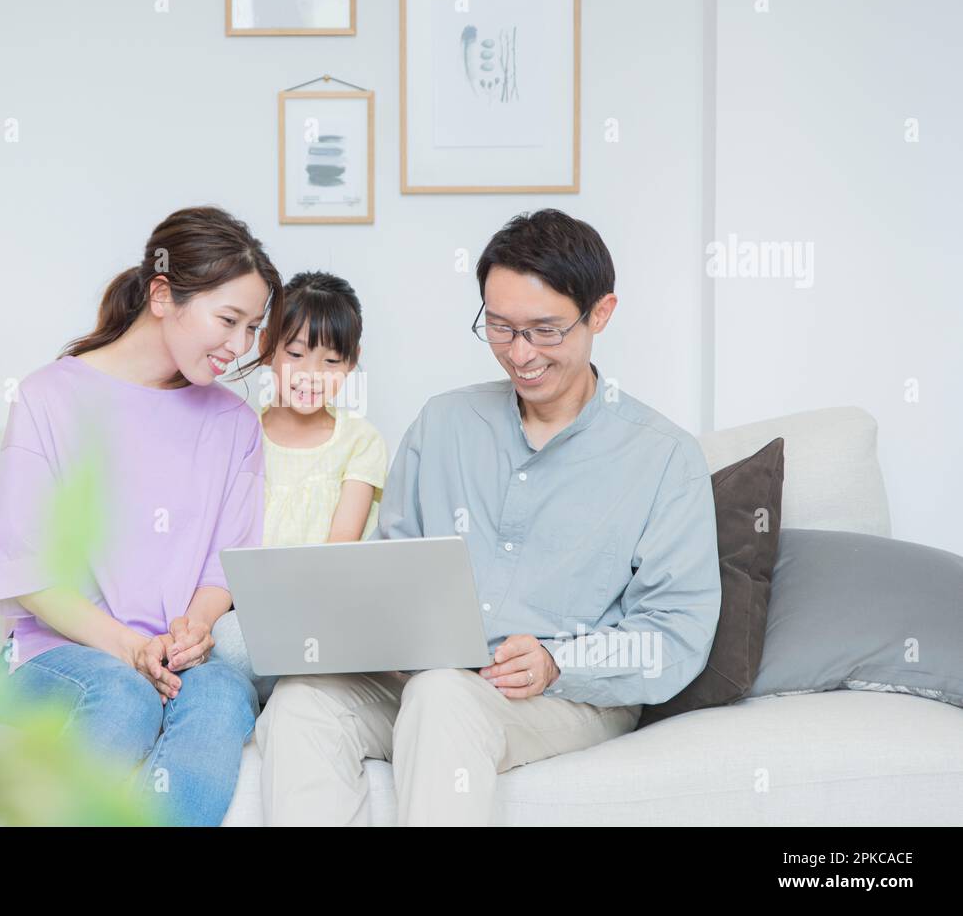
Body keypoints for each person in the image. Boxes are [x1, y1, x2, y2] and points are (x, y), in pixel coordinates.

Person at [254, 208, 723, 825]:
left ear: (600, 313)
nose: (520, 353)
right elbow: (391, 567)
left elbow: (676, 634)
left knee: (443, 696)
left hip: (558, 695)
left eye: (545, 330)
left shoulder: (664, 457)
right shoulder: (443, 424)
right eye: (500, 328)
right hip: (423, 679)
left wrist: (561, 662)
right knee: (300, 702)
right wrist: (380, 636)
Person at [0, 205, 284, 826]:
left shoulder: (234, 425)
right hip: (60, 654)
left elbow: (225, 568)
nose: (240, 346)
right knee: (122, 697)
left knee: (227, 698)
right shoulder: (48, 398)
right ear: (162, 294)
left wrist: (195, 628)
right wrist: (128, 647)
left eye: (252, 328)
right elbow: (30, 574)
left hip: (178, 659)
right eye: (228, 320)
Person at [211, 271, 388, 705]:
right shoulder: (240, 430)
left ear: (352, 361)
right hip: (246, 612)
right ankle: (259, 700)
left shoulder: (360, 441)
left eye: (331, 362)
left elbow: (338, 552)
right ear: (269, 347)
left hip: (322, 608)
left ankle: (297, 697)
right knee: (231, 644)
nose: (311, 375)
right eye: (296, 354)